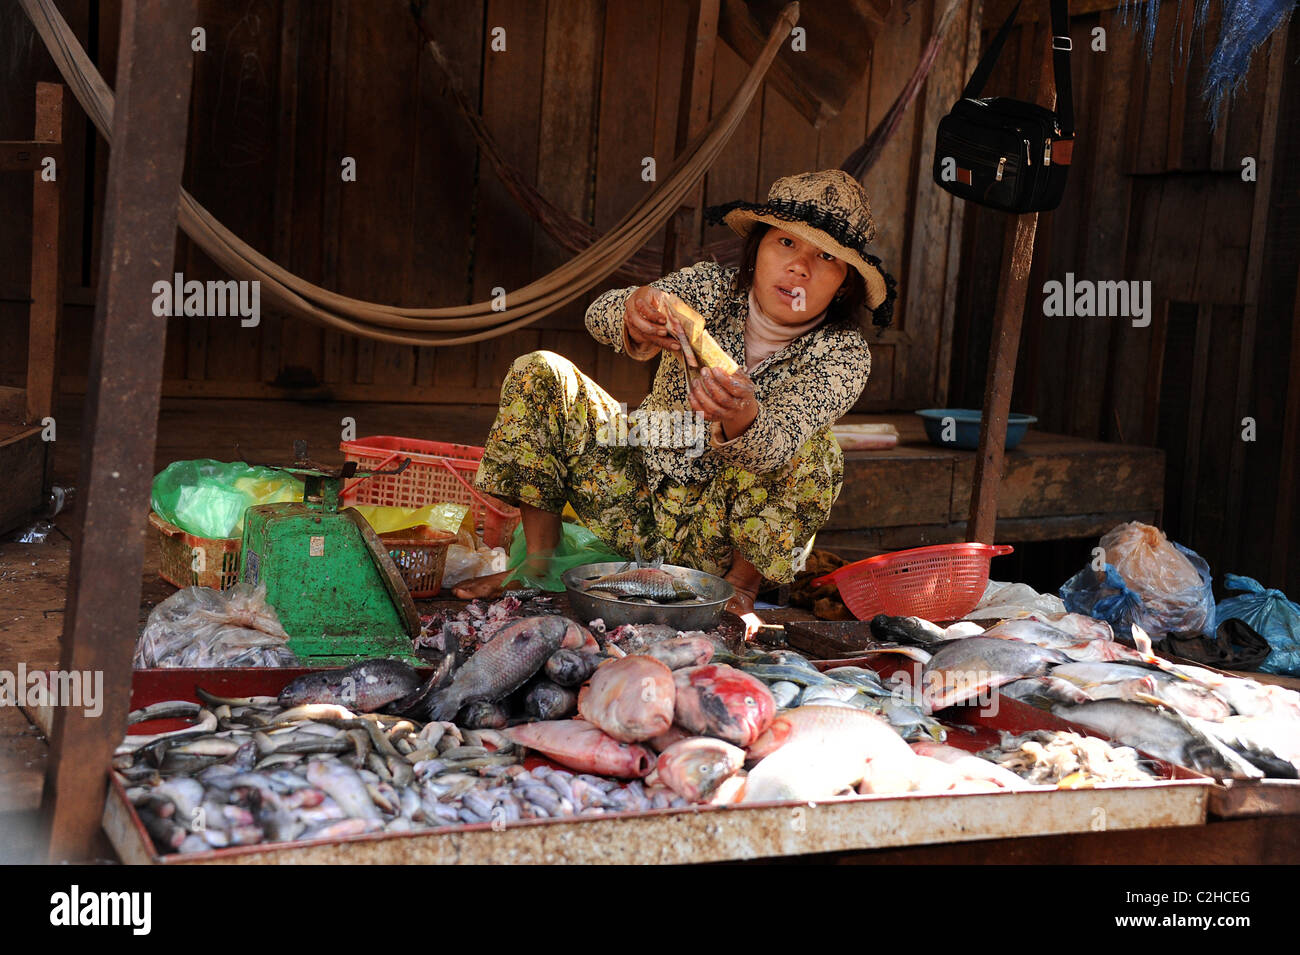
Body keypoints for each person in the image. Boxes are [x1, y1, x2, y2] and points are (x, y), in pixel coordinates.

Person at [453, 169, 897, 630]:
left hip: (717, 538)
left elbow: (779, 446)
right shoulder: (710, 287)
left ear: (844, 283)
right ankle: (538, 566)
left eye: (825, 257)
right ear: (758, 247)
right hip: (635, 495)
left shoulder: (843, 354)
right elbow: (599, 313)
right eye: (785, 243)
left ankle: (739, 591)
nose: (799, 266)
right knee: (541, 370)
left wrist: (741, 417)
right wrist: (633, 309)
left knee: (819, 451)